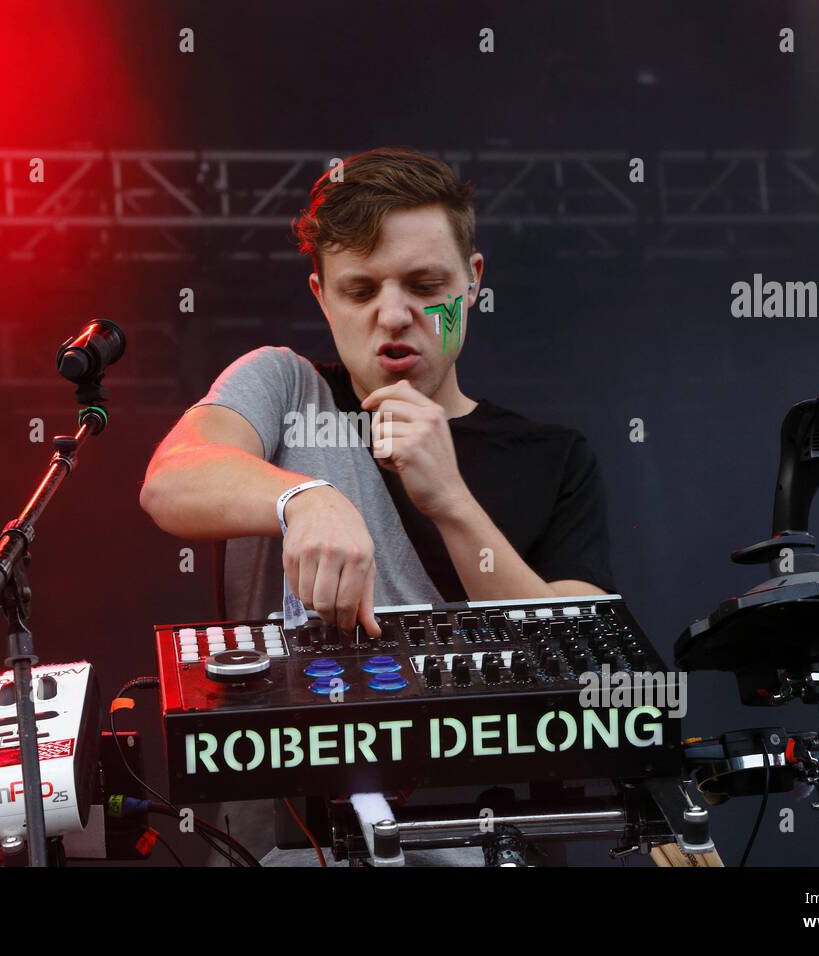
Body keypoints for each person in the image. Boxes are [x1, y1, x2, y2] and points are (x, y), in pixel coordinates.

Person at [139, 146, 614, 864]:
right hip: (297, 845)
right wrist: (305, 496)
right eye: (361, 291)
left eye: (425, 284)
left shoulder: (555, 456)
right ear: (321, 297)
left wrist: (450, 499)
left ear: (473, 282)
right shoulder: (286, 389)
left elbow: (580, 678)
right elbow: (171, 478)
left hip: (494, 844)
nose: (394, 315)